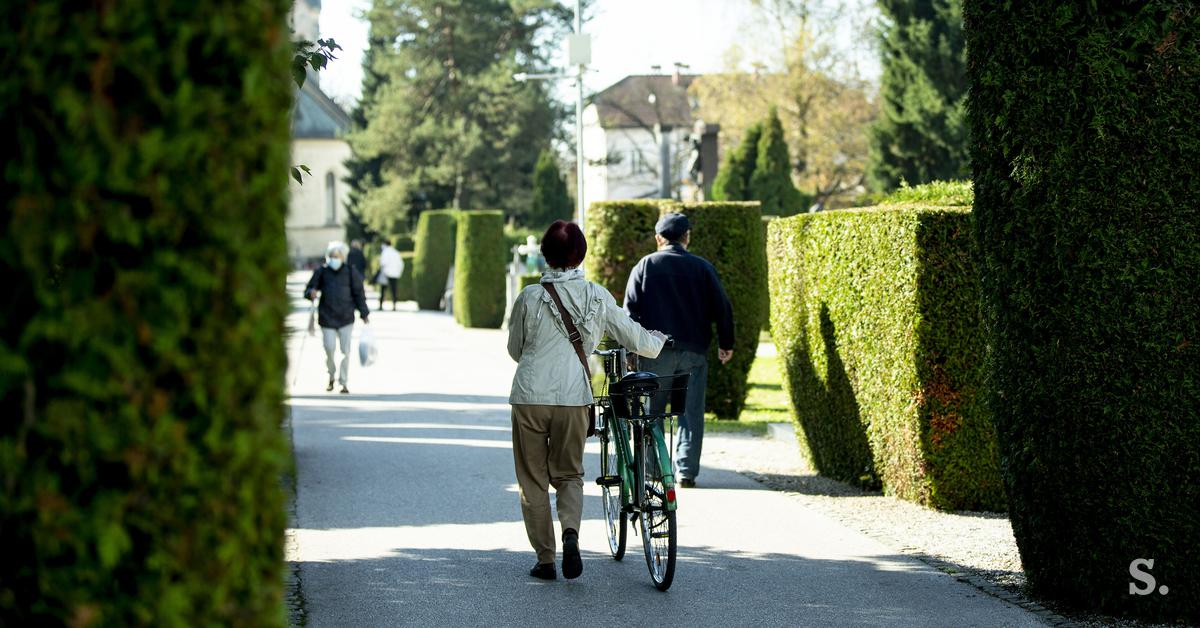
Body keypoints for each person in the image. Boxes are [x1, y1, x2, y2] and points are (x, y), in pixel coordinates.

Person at [507, 220, 666, 582]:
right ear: (580, 256)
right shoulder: (597, 295)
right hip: (574, 397)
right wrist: (657, 341)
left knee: (532, 479)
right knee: (569, 474)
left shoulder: (529, 297)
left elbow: (515, 349)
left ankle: (545, 559)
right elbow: (635, 338)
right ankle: (571, 534)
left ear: (545, 254)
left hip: (530, 396)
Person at [623, 212, 734, 488]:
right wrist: (726, 343)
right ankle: (686, 472)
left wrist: (631, 350)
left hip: (655, 352)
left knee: (652, 412)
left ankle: (653, 470)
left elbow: (630, 313)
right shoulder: (703, 267)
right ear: (687, 237)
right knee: (690, 413)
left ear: (658, 238)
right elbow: (723, 308)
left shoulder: (645, 266)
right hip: (694, 352)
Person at [305, 241, 370, 394]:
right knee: (329, 348)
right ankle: (331, 375)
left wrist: (364, 313)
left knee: (345, 352)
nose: (335, 259)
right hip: (327, 317)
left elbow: (359, 294)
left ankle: (343, 382)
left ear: (343, 257)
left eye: (337, 256)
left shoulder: (350, 272)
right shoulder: (322, 271)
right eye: (332, 256)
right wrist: (311, 293)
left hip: (346, 317)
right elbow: (309, 288)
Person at [378, 239, 404, 310]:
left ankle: (381, 305)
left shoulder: (385, 252)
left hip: (386, 273)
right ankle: (394, 305)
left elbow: (383, 263)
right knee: (394, 290)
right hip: (395, 274)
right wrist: (398, 272)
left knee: (383, 290)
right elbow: (401, 264)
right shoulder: (395, 252)